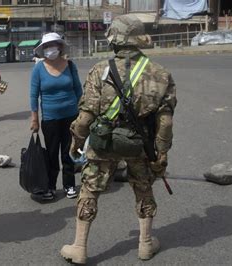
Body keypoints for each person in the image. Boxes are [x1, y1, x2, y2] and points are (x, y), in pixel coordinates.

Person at [60, 14, 177, 264]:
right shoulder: (160, 74)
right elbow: (165, 121)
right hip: (139, 144)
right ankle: (145, 244)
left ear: (114, 40)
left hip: (104, 143)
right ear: (137, 40)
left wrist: (77, 141)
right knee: (143, 189)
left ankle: (79, 247)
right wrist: (162, 153)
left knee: (90, 189)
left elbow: (86, 116)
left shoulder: (100, 70)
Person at [29, 32, 83, 200]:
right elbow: (33, 95)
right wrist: (34, 119)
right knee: (52, 154)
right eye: (46, 46)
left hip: (71, 116)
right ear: (43, 49)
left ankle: (69, 185)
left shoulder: (70, 65)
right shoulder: (38, 68)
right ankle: (51, 186)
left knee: (68, 153)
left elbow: (78, 90)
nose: (49, 49)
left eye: (52, 45)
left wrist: (83, 114)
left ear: (59, 47)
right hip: (50, 118)